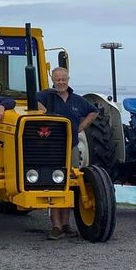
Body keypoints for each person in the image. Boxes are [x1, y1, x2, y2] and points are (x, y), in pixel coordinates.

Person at [42, 67, 99, 241]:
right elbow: (31, 106)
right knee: (53, 184)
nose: (60, 82)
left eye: (63, 79)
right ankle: (56, 226)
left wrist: (80, 127)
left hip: (71, 147)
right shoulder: (45, 96)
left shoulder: (77, 100)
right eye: (57, 79)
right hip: (51, 148)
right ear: (52, 79)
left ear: (68, 79)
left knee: (70, 184)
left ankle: (66, 224)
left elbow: (94, 112)